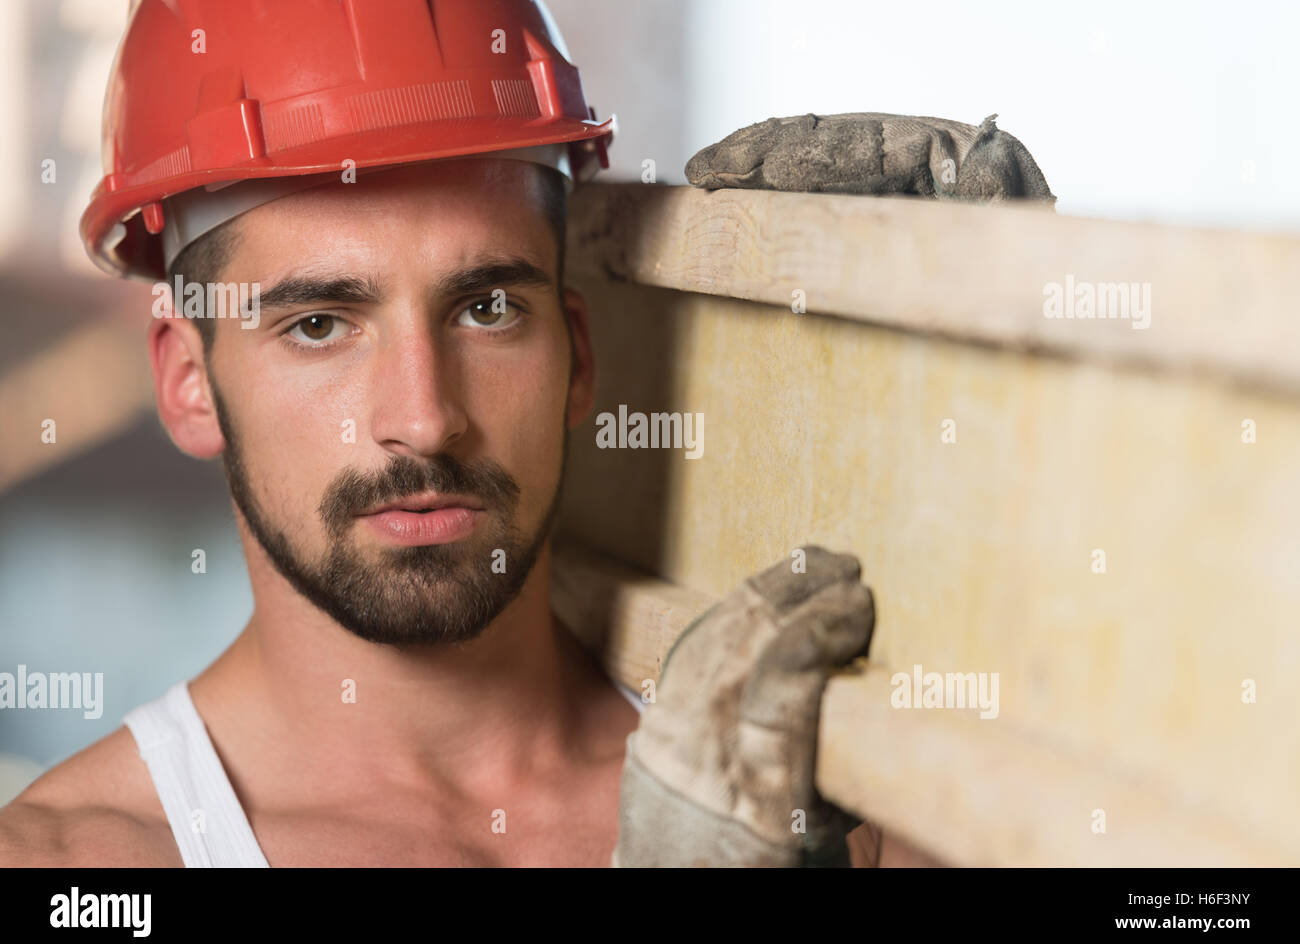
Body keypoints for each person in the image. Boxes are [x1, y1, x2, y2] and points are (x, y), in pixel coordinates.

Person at [0, 0, 934, 867]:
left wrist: (957, 367)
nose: (425, 418)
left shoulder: (827, 805)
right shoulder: (73, 865)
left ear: (575, 352)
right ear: (188, 383)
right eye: (319, 324)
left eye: (486, 308)